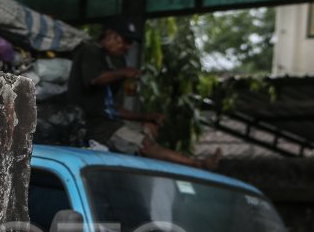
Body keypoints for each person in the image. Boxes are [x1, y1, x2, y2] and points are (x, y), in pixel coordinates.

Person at [68, 16, 219, 170]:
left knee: (149, 127)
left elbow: (115, 107)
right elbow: (94, 79)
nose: (127, 47)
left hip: (110, 121)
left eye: (130, 43)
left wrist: (146, 117)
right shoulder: (90, 51)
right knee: (144, 145)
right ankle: (198, 164)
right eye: (125, 41)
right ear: (110, 35)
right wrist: (123, 73)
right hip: (93, 124)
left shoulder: (114, 61)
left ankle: (147, 159)